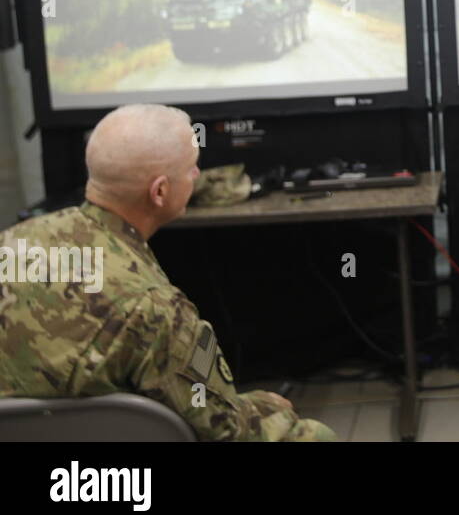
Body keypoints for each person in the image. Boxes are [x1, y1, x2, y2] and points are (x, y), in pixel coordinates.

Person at [0, 104, 336, 441]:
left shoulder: (11, 241)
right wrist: (268, 408)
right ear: (159, 191)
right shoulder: (158, 312)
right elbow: (226, 434)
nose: (195, 176)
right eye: (192, 168)